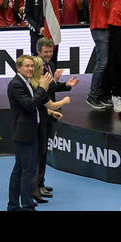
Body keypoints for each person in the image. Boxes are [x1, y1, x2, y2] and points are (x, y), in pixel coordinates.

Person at [7, 54, 67, 210]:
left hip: (29, 132)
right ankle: (26, 206)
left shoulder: (25, 82)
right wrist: (42, 88)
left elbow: (37, 106)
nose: (30, 69)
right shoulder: (16, 85)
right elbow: (29, 105)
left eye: (32, 66)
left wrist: (49, 111)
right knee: (27, 172)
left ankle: (14, 205)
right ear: (18, 67)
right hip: (25, 134)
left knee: (20, 170)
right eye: (27, 66)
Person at [35, 38, 78, 200]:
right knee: (39, 151)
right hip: (41, 112)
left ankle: (40, 182)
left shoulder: (51, 65)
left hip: (50, 112)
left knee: (43, 150)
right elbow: (41, 89)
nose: (48, 54)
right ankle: (36, 186)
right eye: (45, 52)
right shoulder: (35, 67)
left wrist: (66, 85)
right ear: (38, 51)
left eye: (50, 51)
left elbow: (51, 86)